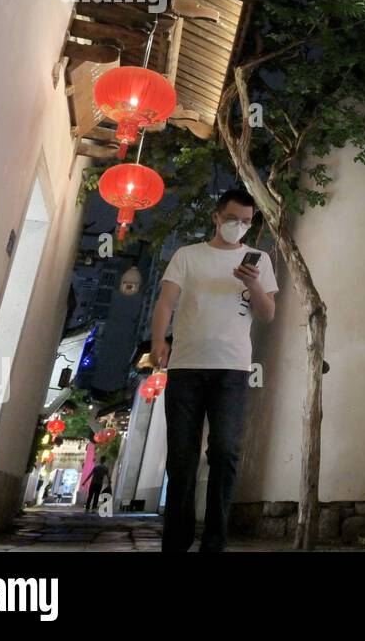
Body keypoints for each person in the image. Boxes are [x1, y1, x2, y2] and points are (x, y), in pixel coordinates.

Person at [149, 187, 278, 552]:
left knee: (225, 451)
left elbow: (268, 315)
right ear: (216, 218)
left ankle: (215, 539)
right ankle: (177, 539)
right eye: (232, 219)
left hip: (232, 370)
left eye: (247, 222)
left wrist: (252, 283)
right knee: (182, 457)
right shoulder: (188, 256)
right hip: (186, 367)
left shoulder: (259, 260)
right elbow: (165, 303)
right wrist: (160, 340)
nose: (239, 226)